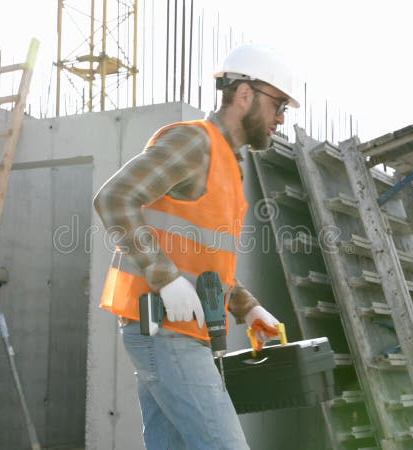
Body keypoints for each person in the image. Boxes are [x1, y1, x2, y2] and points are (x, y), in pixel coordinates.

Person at [93, 43, 300, 450]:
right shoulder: (195, 144)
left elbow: (202, 261)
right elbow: (114, 199)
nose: (280, 119)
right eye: (278, 105)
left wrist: (247, 306)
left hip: (175, 331)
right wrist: (166, 280)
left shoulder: (227, 161)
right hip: (163, 329)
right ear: (245, 95)